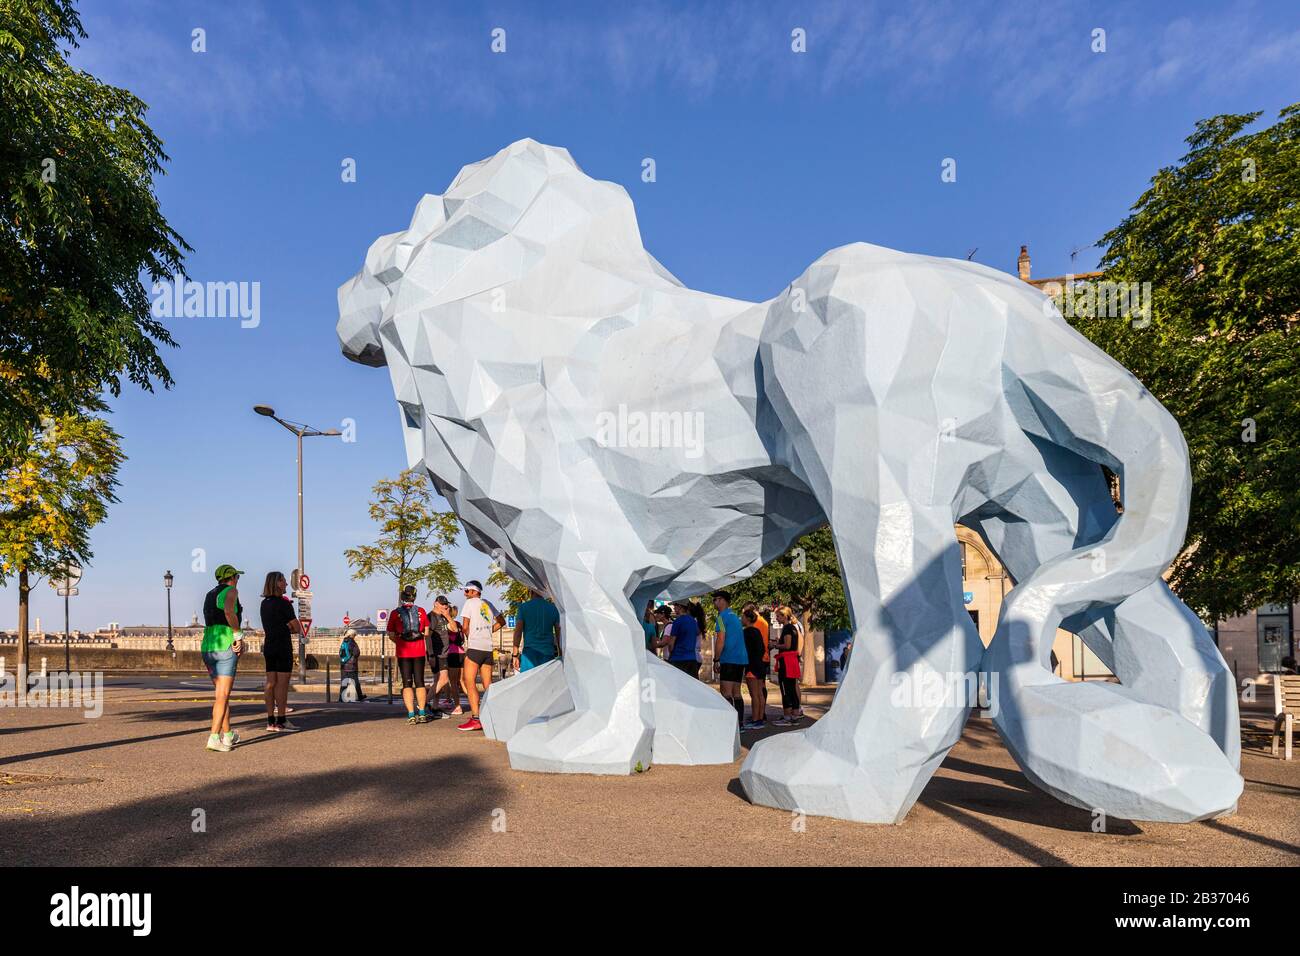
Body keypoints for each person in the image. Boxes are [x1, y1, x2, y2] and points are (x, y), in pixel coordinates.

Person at [201, 564, 245, 752]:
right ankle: (213, 737)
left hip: (208, 645)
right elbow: (228, 611)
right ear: (233, 577)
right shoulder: (231, 591)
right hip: (226, 643)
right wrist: (238, 634)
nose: (237, 581)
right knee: (223, 695)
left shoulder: (209, 594)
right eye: (237, 577)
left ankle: (227, 735)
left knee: (221, 695)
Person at [458, 580, 505, 731]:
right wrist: (488, 631)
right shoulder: (488, 603)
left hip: (475, 647)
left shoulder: (469, 604)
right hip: (488, 647)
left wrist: (471, 636)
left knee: (469, 681)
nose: (465, 594)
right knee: (488, 684)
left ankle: (476, 718)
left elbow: (465, 627)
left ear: (473, 592)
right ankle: (494, 716)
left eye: (466, 591)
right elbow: (502, 621)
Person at [259, 571, 302, 732]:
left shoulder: (265, 603)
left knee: (270, 683)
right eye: (283, 581)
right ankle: (282, 720)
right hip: (283, 646)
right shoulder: (284, 604)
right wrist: (287, 628)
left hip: (269, 645)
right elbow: (297, 627)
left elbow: (270, 626)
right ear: (277, 583)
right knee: (282, 685)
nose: (286, 583)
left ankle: (270, 721)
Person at [387, 585, 432, 724]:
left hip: (403, 652)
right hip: (418, 651)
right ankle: (422, 713)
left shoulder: (395, 613)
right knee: (420, 682)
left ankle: (411, 715)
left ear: (402, 597)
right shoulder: (421, 611)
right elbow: (427, 632)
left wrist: (400, 642)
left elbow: (391, 634)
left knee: (407, 684)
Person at [712, 590, 748, 727]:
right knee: (736, 692)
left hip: (729, 658)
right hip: (740, 659)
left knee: (725, 692)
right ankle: (740, 723)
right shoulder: (735, 617)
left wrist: (716, 659)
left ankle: (730, 725)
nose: (714, 603)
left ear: (722, 600)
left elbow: (720, 639)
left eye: (715, 600)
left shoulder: (721, 618)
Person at [512, 589, 562, 672]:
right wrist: (561, 654)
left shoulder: (523, 608)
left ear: (531, 592)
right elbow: (559, 634)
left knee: (529, 682)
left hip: (529, 654)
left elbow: (518, 632)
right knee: (546, 682)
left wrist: (515, 655)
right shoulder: (553, 608)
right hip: (548, 653)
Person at [772, 606, 802, 726]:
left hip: (786, 661)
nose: (777, 618)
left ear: (785, 616)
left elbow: (788, 645)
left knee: (785, 689)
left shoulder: (787, 628)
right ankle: (794, 715)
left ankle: (788, 717)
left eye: (778, 616)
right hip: (792, 661)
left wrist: (775, 645)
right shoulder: (793, 628)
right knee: (791, 688)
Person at [741, 607, 768, 729]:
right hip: (760, 665)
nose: (741, 619)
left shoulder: (746, 632)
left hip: (751, 666)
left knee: (754, 695)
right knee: (760, 694)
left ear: (747, 618)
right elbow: (762, 648)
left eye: (742, 617)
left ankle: (755, 719)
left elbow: (745, 650)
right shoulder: (757, 631)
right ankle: (760, 718)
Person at [662, 601, 701, 678]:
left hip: (678, 659)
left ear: (680, 606)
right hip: (692, 659)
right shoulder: (693, 621)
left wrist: (670, 655)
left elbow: (671, 644)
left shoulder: (677, 621)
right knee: (691, 688)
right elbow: (697, 633)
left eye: (675, 605)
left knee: (678, 687)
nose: (674, 608)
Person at [440, 603, 466, 714]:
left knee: (453, 682)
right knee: (463, 681)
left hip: (452, 654)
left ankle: (457, 706)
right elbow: (462, 639)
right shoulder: (458, 624)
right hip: (461, 652)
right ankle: (478, 702)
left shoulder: (448, 625)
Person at [339, 628, 365, 701]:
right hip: (352, 666)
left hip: (344, 665)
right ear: (352, 635)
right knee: (356, 682)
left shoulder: (344, 641)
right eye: (355, 635)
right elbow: (356, 653)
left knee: (344, 682)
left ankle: (341, 698)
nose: (355, 636)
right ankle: (360, 696)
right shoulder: (352, 642)